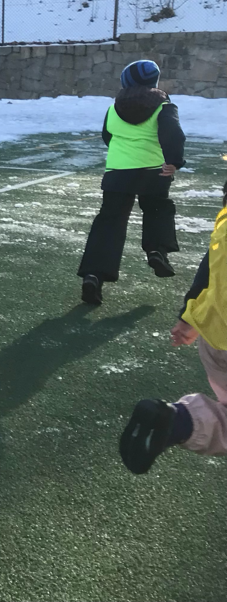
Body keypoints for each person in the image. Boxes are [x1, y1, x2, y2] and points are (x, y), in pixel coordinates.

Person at [119, 179, 227, 474]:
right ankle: (176, 423)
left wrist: (189, 317)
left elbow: (212, 267)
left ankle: (177, 420)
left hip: (216, 334)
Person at [78, 60, 185, 305]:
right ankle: (158, 251)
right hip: (153, 171)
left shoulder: (114, 107)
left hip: (118, 172)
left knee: (109, 222)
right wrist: (174, 161)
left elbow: (107, 136)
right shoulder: (164, 106)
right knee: (158, 209)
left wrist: (124, 155)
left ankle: (94, 275)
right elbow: (173, 134)